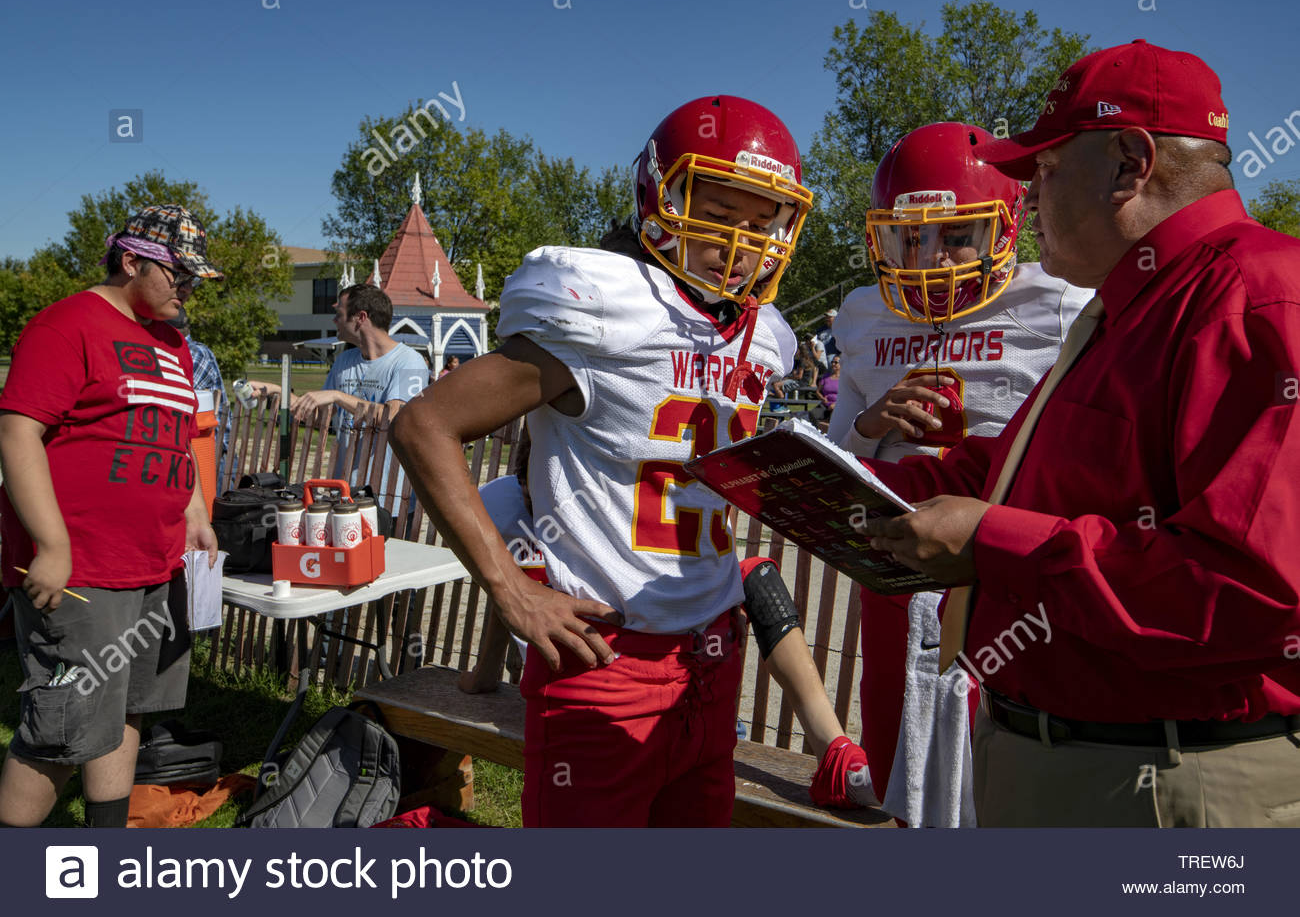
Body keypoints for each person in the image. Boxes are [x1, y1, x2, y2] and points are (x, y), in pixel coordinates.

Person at [391, 95, 869, 825]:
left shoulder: (765, 333)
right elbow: (425, 425)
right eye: (717, 212)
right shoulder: (604, 303)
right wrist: (513, 592)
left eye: (760, 222)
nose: (739, 243)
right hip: (605, 657)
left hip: (712, 657)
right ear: (661, 197)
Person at [859, 40, 1300, 827]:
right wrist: (844, 487)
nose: (1028, 200)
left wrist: (995, 540)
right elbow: (1036, 475)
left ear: (1131, 163)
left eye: (1046, 172)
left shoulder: (1261, 295)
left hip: (1171, 779)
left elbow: (1251, 591)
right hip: (1077, 762)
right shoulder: (1135, 301)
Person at [826, 122, 1089, 825]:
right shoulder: (863, 315)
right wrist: (872, 423)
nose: (929, 257)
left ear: (1004, 230)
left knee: (1001, 788)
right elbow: (835, 462)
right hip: (896, 578)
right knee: (902, 783)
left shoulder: (1062, 306)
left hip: (1006, 584)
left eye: (954, 235)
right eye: (908, 238)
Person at [0, 204, 221, 828]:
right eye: (180, 275)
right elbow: (17, 434)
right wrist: (50, 545)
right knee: (60, 731)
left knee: (127, 710)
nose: (188, 290)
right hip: (83, 568)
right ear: (132, 261)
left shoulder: (173, 342)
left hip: (155, 563)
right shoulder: (65, 325)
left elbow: (176, 438)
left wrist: (195, 511)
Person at [249, 284, 428, 500]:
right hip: (344, 493)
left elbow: (394, 417)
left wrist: (337, 395)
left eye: (339, 314)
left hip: (389, 497)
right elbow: (317, 417)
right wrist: (276, 391)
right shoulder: (344, 361)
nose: (334, 321)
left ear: (360, 317)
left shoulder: (410, 361)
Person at [167, 307, 231, 491]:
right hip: (200, 447)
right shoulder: (186, 351)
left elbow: (176, 398)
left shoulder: (192, 353)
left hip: (211, 450)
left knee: (210, 513)